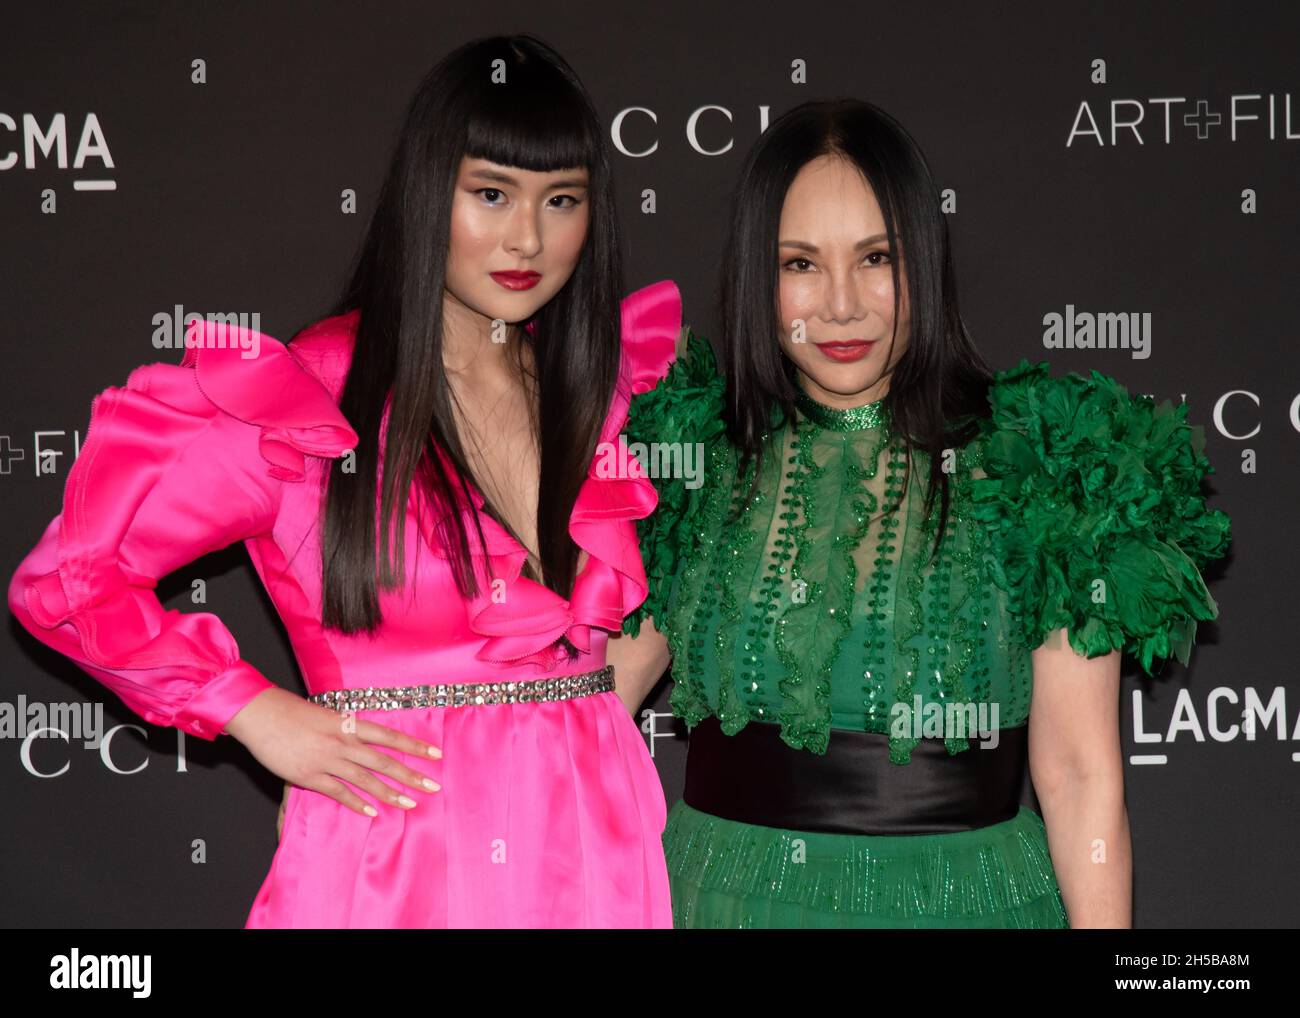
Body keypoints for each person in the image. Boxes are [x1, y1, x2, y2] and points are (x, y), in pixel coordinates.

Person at [8, 35, 681, 929]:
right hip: (397, 861)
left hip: (591, 853)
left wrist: (595, 702)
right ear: (425, 192)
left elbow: (663, 604)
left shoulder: (605, 398)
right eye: (491, 194)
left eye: (562, 201)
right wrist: (256, 714)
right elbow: (66, 581)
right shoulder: (310, 400)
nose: (529, 238)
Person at [605, 98, 1232, 928]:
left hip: (963, 904)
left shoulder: (1043, 465)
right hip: (721, 901)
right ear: (759, 275)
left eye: (875, 258)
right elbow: (589, 703)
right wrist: (382, 713)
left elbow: (1080, 775)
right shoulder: (689, 460)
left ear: (924, 264)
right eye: (799, 263)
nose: (839, 304)